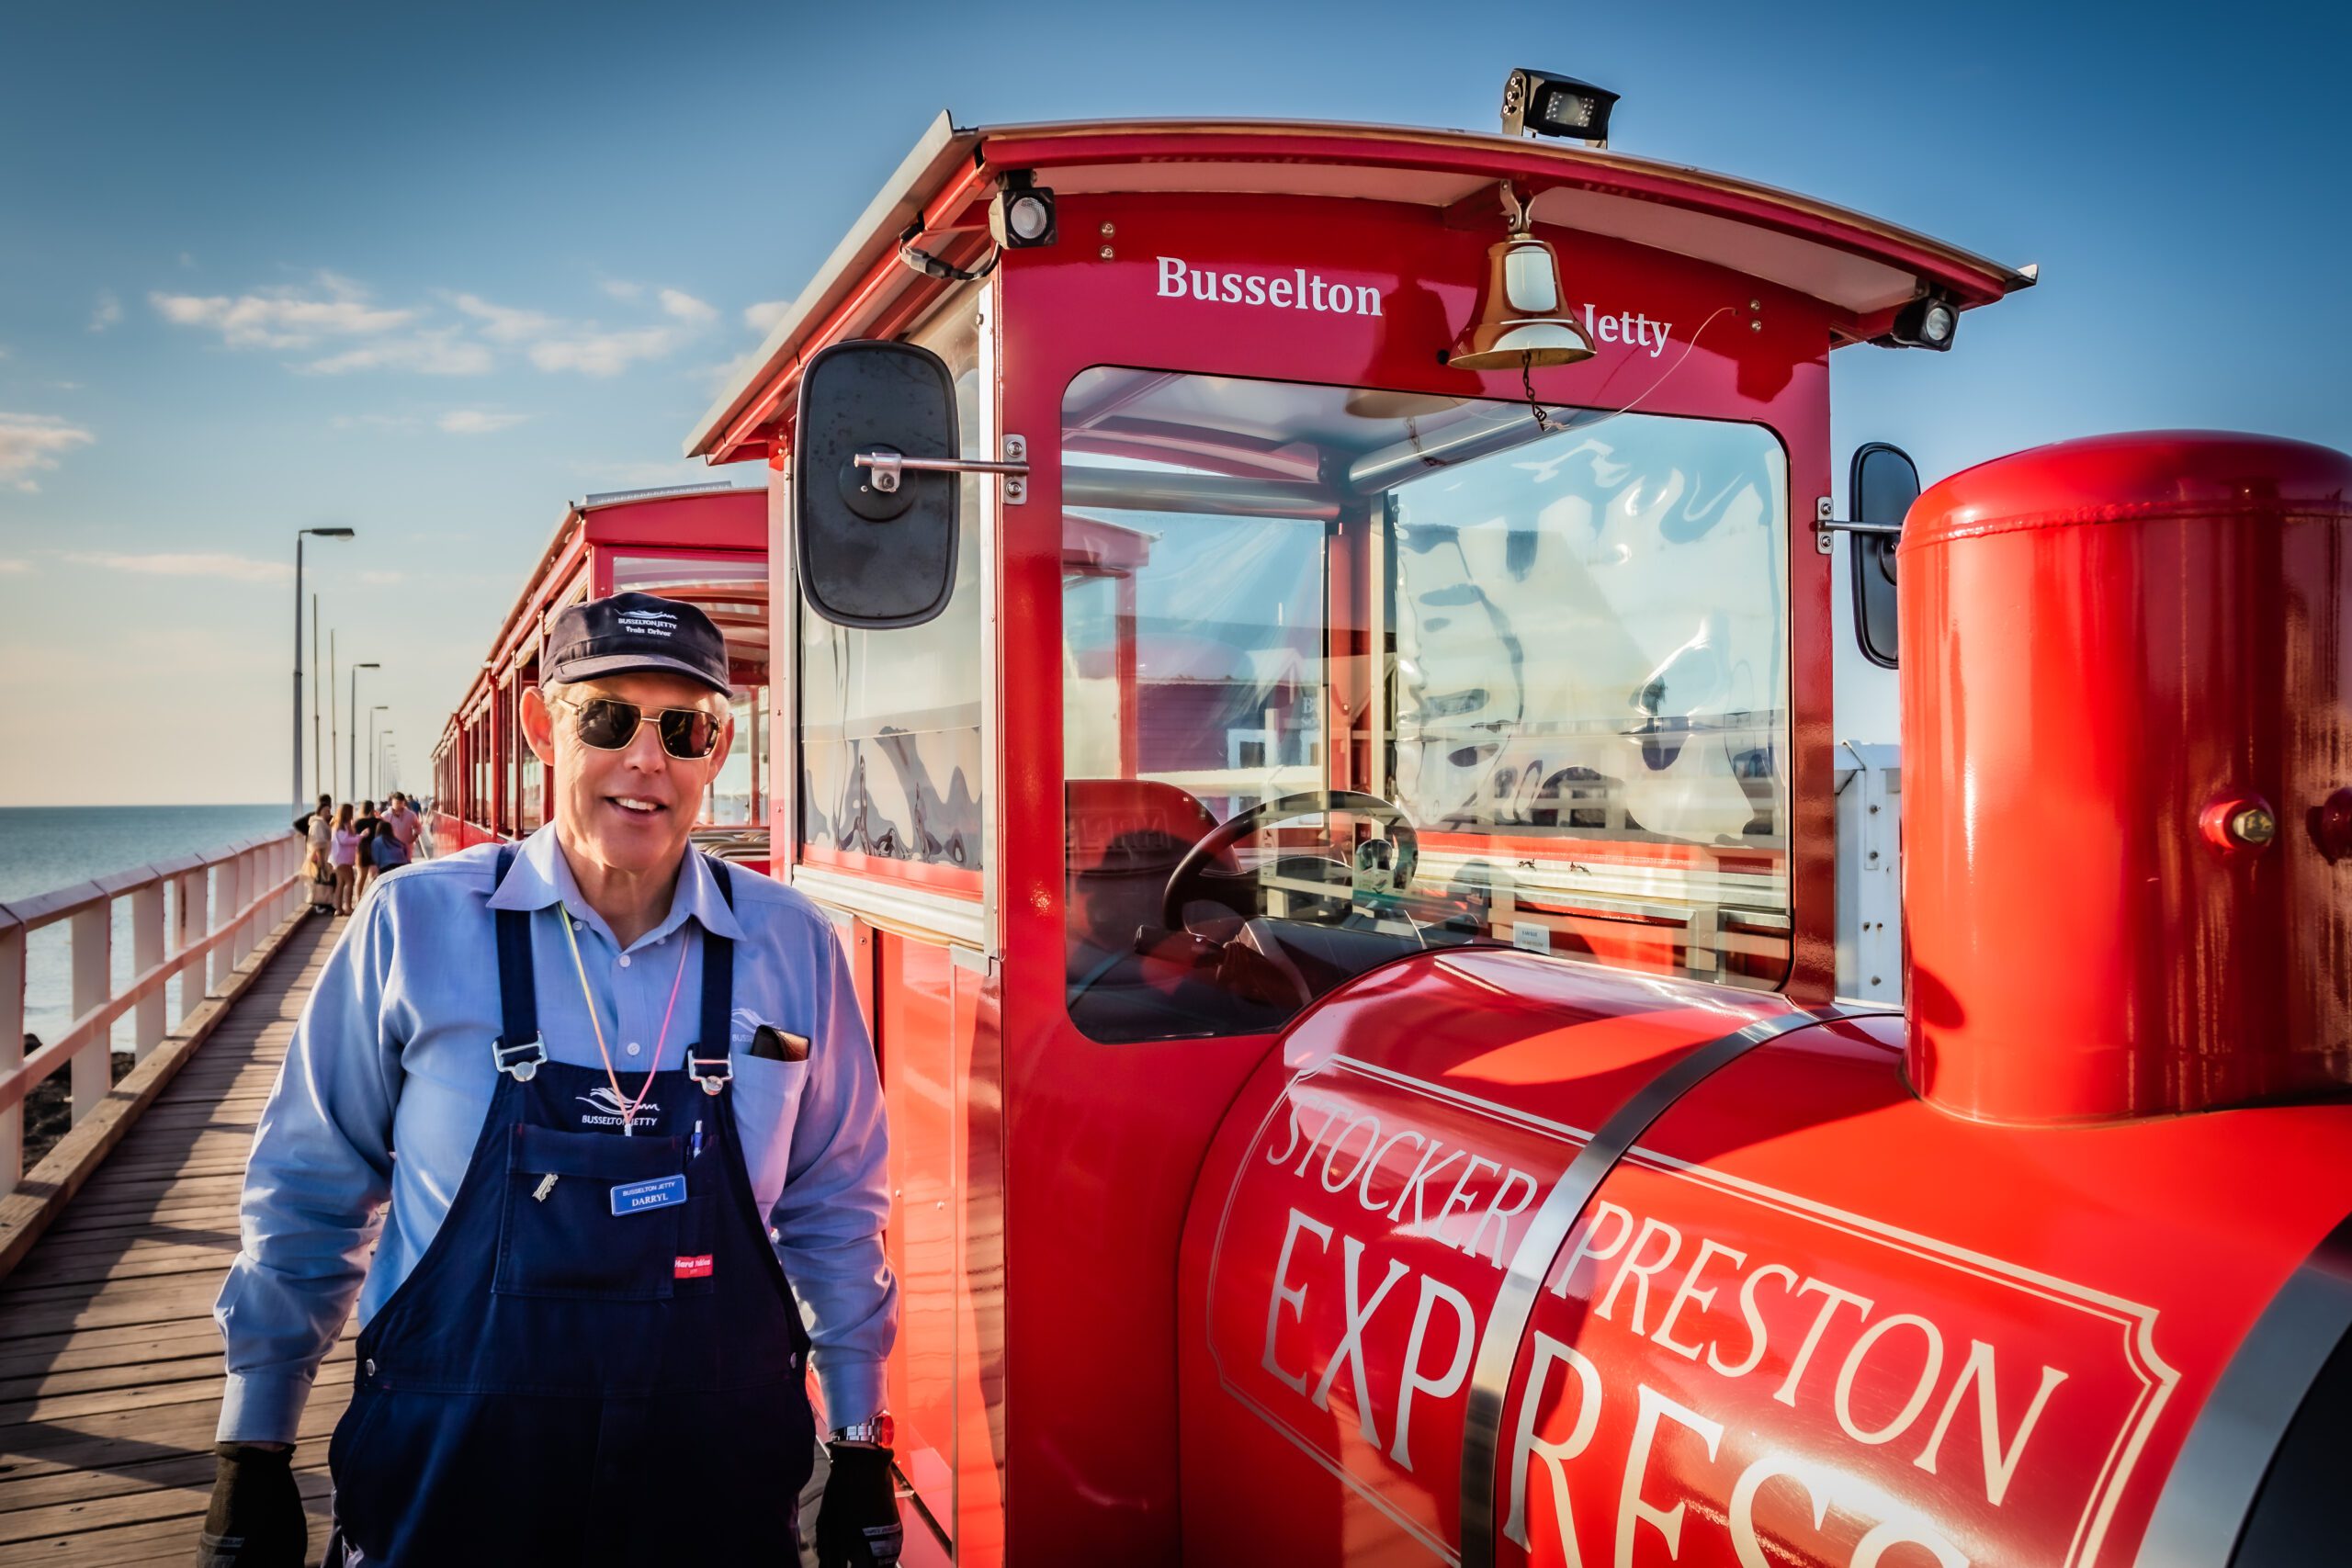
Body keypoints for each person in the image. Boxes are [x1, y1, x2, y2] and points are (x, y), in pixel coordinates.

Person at [202, 591, 901, 1568]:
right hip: (451, 1477)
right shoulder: (413, 926)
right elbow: (312, 1191)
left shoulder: (793, 946)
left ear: (721, 747)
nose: (647, 760)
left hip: (713, 1486)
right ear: (542, 726)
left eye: (686, 728)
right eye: (608, 718)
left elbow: (834, 1207)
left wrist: (861, 1445)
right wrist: (254, 1446)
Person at [294, 795, 334, 915]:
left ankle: (324, 904)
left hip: (321, 853)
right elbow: (319, 839)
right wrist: (310, 832)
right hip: (318, 854)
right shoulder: (317, 820)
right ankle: (321, 904)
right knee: (321, 879)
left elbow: (297, 824)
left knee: (323, 879)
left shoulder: (315, 818)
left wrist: (307, 833)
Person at [327, 804, 359, 917]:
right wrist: (360, 837)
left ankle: (339, 908)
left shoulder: (337, 825)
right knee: (350, 881)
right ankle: (348, 908)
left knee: (340, 883)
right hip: (342, 859)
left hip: (338, 858)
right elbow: (345, 840)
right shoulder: (342, 826)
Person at [351, 799, 384, 897]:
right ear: (373, 809)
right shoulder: (379, 821)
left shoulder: (358, 822)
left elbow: (354, 837)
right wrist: (379, 816)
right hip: (376, 850)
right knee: (373, 877)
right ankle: (371, 898)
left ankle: (358, 900)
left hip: (362, 851)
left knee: (361, 877)